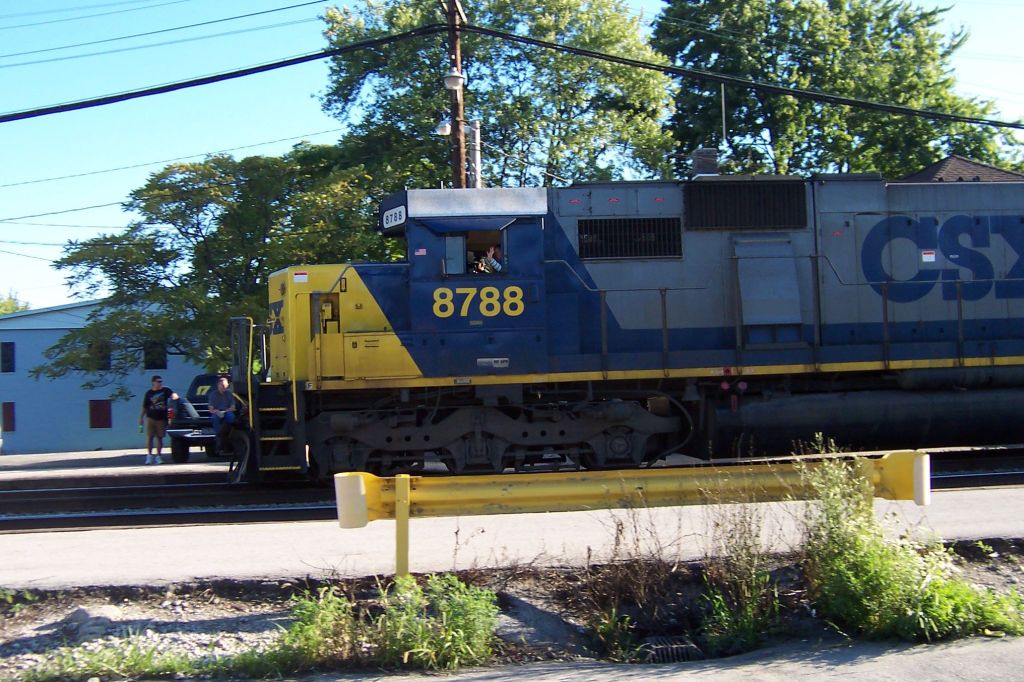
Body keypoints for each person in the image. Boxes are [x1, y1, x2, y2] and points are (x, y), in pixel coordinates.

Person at [139, 375, 177, 465]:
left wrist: (175, 397)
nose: (160, 383)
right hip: (151, 417)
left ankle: (158, 456)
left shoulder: (165, 390)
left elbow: (174, 395)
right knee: (150, 437)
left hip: (161, 418)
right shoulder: (149, 393)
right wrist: (141, 417)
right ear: (153, 382)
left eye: (161, 381)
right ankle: (149, 456)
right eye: (158, 381)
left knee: (159, 438)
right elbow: (145, 406)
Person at [208, 375, 237, 450]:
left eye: (225, 385)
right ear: (218, 385)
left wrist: (226, 411)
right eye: (222, 385)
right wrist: (217, 412)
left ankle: (232, 434)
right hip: (217, 412)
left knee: (232, 417)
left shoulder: (229, 394)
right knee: (214, 418)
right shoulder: (213, 395)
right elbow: (211, 409)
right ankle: (219, 436)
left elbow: (233, 407)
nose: (224, 387)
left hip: (227, 411)